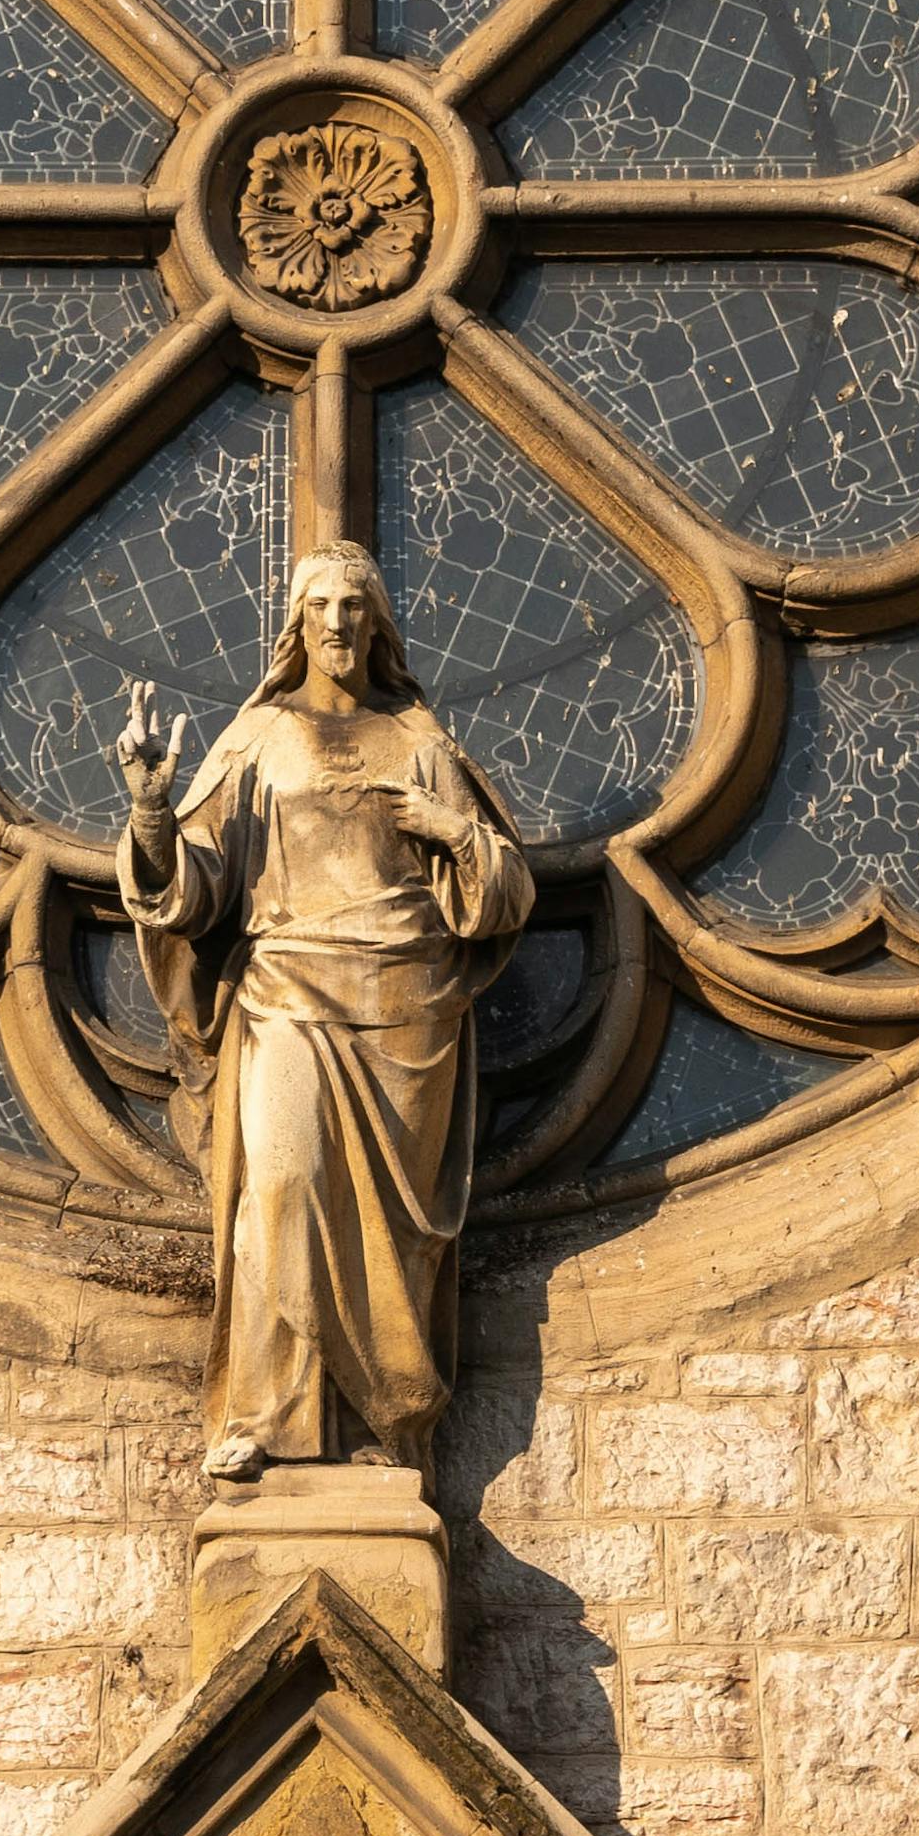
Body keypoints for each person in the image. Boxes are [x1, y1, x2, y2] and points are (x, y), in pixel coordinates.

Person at [114, 548, 532, 1487]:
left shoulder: (420, 739)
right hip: (288, 996)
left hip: (405, 1015)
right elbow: (195, 884)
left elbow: (503, 894)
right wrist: (150, 815)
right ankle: (263, 1413)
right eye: (320, 605)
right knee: (283, 1177)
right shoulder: (258, 739)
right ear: (296, 624)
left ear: (377, 622)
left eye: (353, 604)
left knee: (383, 1234)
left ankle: (384, 1416)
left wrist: (454, 831)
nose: (338, 621)